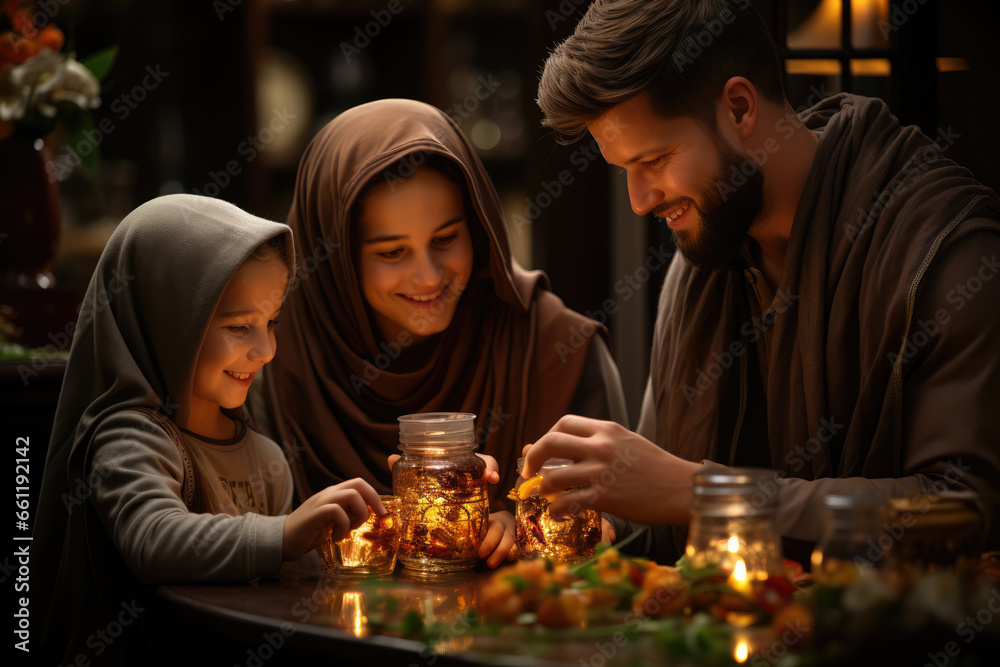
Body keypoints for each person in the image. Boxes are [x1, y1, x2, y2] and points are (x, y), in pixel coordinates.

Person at [522, 0, 1000, 564]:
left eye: (654, 159)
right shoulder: (698, 263)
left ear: (740, 107)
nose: (639, 200)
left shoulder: (949, 254)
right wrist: (596, 524)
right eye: (625, 169)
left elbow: (967, 512)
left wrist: (701, 492)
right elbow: (664, 520)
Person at [251, 98, 628, 568]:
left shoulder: (557, 344)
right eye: (392, 252)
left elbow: (624, 522)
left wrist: (525, 528)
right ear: (335, 261)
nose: (429, 276)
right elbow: (252, 541)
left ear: (479, 226)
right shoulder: (271, 361)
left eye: (446, 239)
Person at [32, 194, 384, 665]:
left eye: (271, 322)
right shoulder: (129, 439)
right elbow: (153, 541)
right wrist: (282, 535)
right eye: (240, 327)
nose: (266, 350)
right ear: (167, 320)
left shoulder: (266, 458)